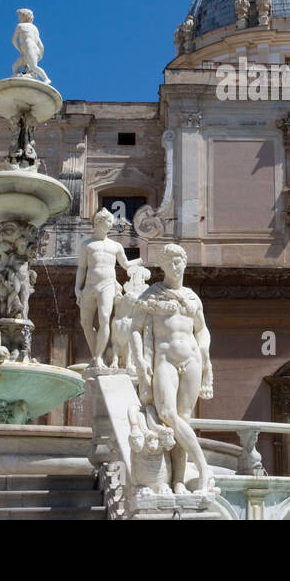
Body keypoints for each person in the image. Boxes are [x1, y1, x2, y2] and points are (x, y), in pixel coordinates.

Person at [130, 243, 214, 493]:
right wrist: (141, 360)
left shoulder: (192, 297)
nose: (175, 267)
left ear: (185, 264)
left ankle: (178, 480)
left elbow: (202, 329)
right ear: (163, 267)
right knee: (167, 414)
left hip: (192, 360)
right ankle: (204, 467)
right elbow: (135, 328)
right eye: (170, 264)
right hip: (164, 360)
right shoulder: (153, 294)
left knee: (184, 418)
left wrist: (205, 351)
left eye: (178, 262)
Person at [74, 208, 132, 367]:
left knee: (105, 319)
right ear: (99, 222)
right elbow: (82, 268)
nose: (111, 225)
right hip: (89, 285)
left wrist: (141, 261)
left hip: (108, 284)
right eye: (109, 222)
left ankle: (98, 357)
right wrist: (77, 288)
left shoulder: (116, 246)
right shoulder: (87, 245)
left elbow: (126, 265)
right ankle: (96, 355)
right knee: (85, 322)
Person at [11, 7, 50, 83]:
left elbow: (14, 41)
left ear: (23, 17)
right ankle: (25, 75)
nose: (18, 19)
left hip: (29, 48)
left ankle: (46, 79)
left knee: (33, 66)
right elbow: (40, 44)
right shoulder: (35, 28)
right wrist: (40, 54)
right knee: (15, 67)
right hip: (32, 49)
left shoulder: (20, 26)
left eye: (19, 17)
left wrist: (19, 49)